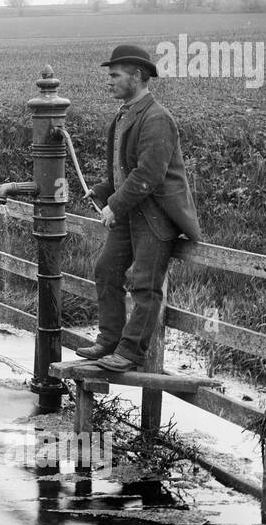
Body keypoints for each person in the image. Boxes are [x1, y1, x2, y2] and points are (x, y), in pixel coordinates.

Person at [75, 45, 202, 372]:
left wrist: (114, 205)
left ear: (137, 76)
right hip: (131, 212)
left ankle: (130, 353)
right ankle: (109, 340)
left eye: (115, 75)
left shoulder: (157, 118)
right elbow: (124, 169)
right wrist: (104, 191)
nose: (110, 81)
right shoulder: (124, 115)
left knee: (145, 284)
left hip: (156, 217)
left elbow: (149, 173)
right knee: (106, 270)